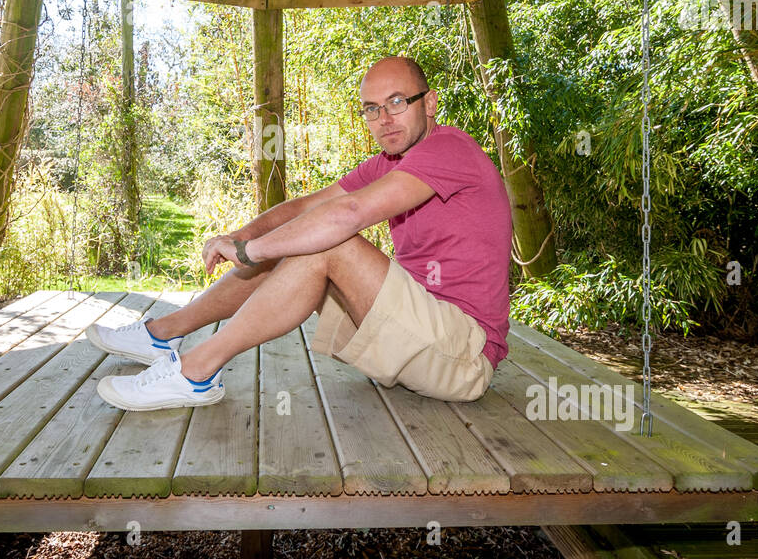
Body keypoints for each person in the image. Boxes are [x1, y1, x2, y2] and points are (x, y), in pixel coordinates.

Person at [88, 54, 512, 411]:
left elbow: (346, 214)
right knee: (301, 236)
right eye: (371, 108)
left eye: (397, 102)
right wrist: (242, 236)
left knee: (327, 243)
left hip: (462, 354)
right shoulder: (389, 161)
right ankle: (162, 336)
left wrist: (251, 249)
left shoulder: (450, 149)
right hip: (416, 336)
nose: (384, 119)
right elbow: (309, 206)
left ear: (430, 103)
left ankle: (194, 373)